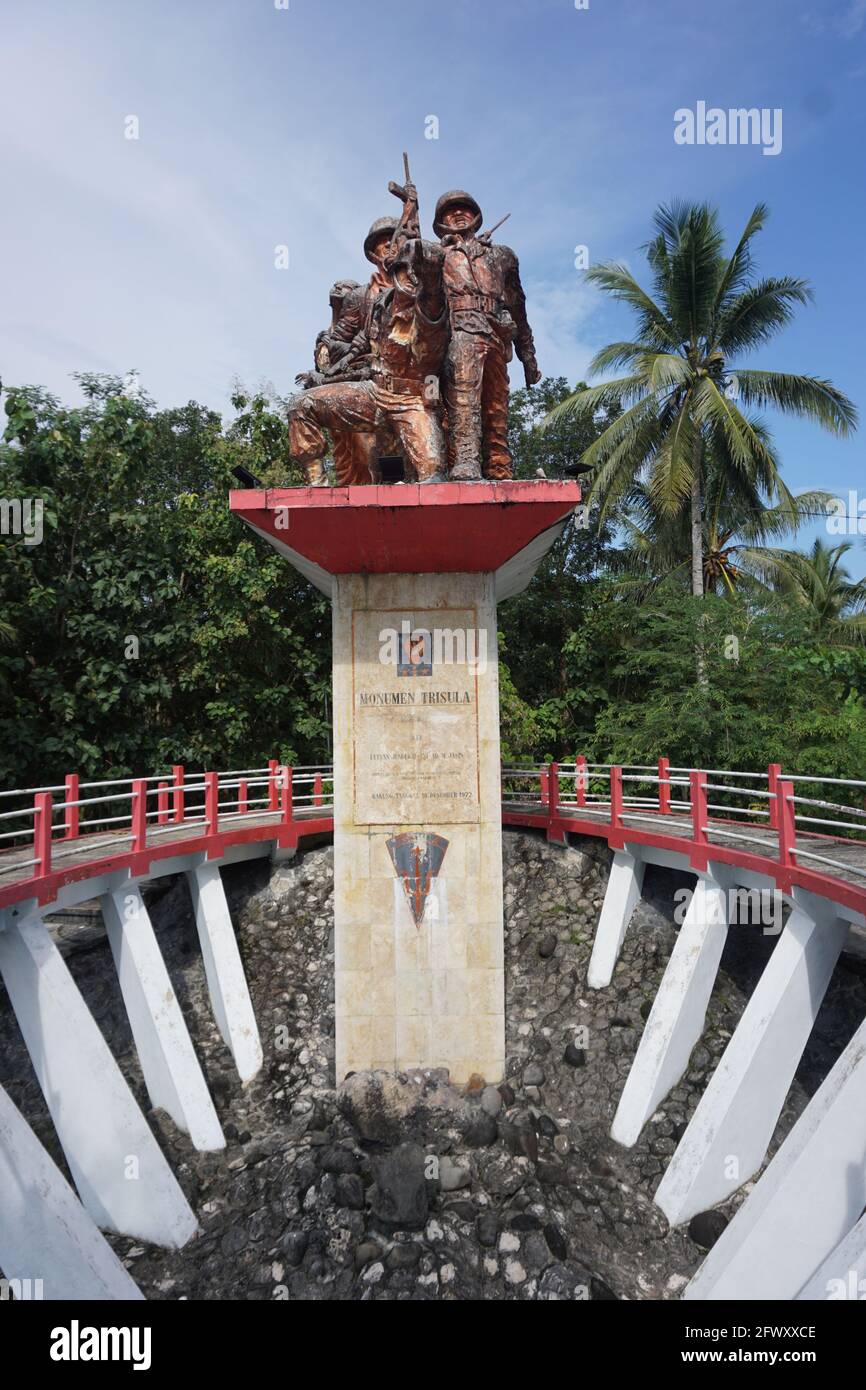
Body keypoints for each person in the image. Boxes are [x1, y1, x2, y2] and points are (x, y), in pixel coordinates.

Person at [434, 189, 541, 480]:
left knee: (497, 403)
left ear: (477, 216)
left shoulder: (501, 256)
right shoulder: (436, 256)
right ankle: (466, 460)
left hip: (497, 333)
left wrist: (528, 358)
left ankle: (499, 465)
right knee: (463, 396)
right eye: (450, 211)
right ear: (440, 221)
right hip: (458, 332)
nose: (458, 214)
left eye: (464, 209)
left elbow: (519, 307)